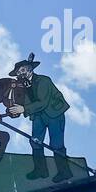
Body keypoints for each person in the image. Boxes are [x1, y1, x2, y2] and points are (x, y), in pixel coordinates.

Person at [9, 55, 72, 183]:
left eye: (22, 71)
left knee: (56, 144)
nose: (20, 74)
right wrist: (18, 110)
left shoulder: (44, 80)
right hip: (38, 115)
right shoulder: (24, 85)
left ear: (30, 69)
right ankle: (41, 170)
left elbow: (43, 102)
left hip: (54, 113)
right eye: (18, 72)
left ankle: (64, 172)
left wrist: (23, 109)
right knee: (35, 141)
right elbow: (24, 101)